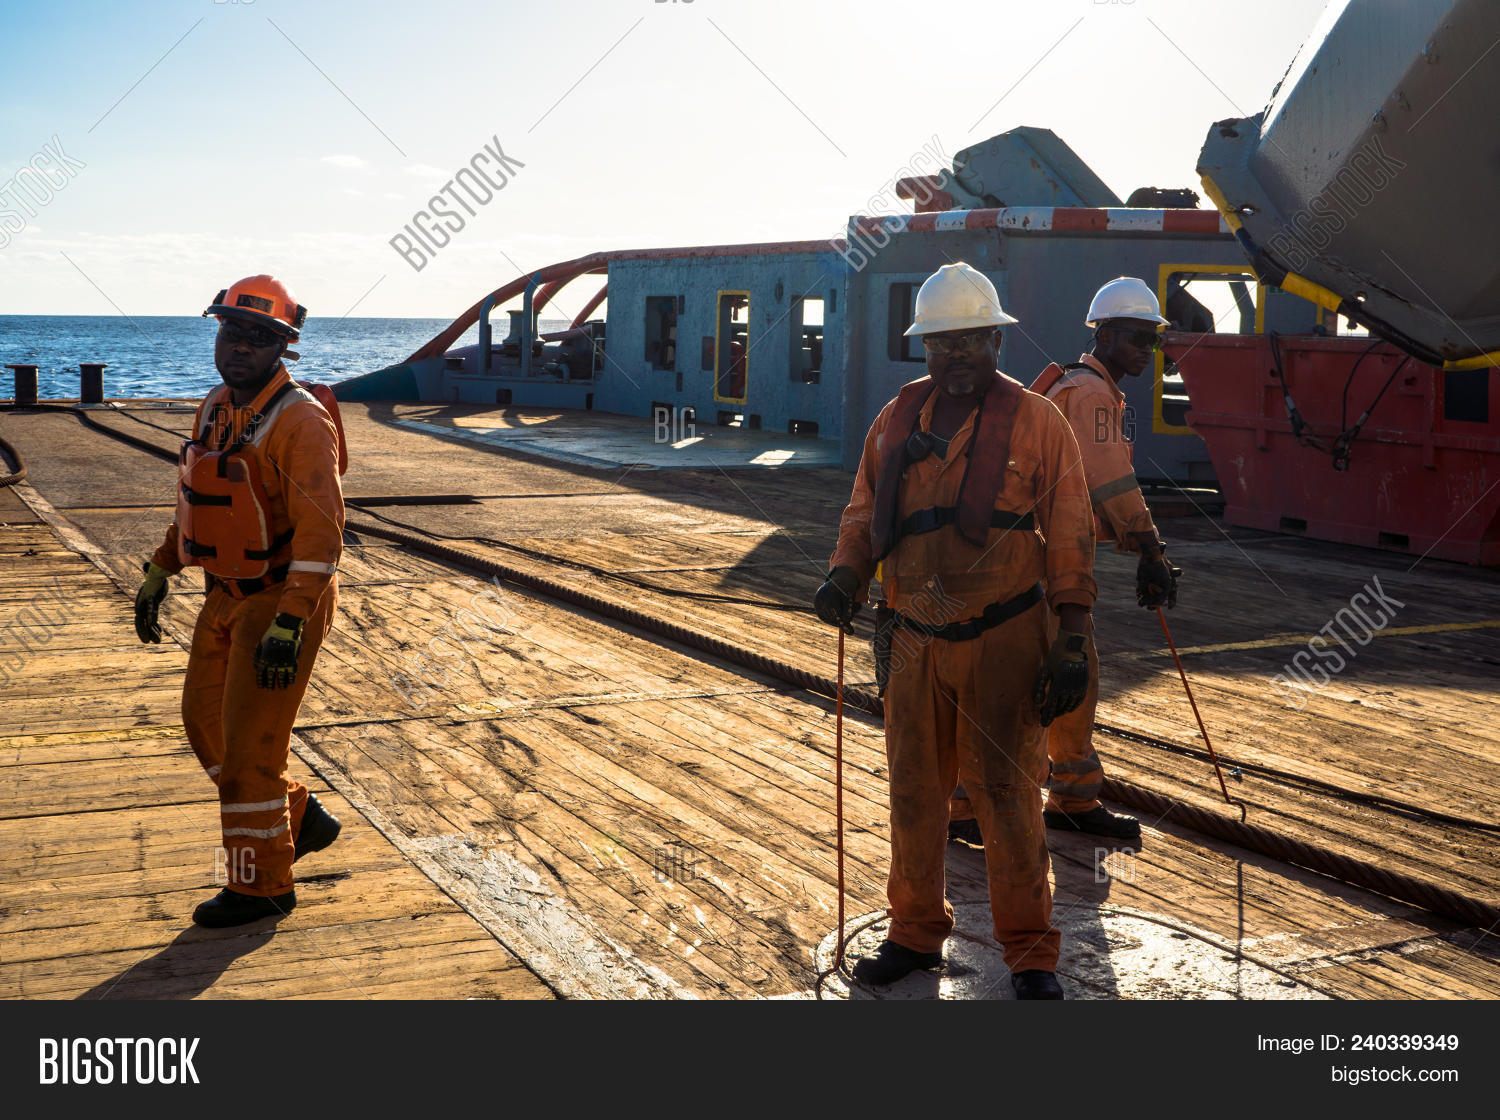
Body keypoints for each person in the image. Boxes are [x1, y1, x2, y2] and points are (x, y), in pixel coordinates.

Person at [815, 262, 1097, 999]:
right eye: (942, 341)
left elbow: (1071, 528)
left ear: (997, 342)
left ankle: (1030, 954)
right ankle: (912, 934)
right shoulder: (895, 419)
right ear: (925, 348)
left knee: (1007, 799)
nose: (957, 353)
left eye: (971, 338)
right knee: (913, 795)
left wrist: (1071, 638)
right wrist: (846, 573)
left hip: (1004, 638)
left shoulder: (1040, 423)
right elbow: (863, 509)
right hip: (911, 641)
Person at [133, 275, 346, 928]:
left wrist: (290, 621)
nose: (241, 346)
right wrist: (162, 566)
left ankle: (262, 888)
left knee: (252, 754)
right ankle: (298, 816)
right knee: (206, 726)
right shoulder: (214, 408)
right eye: (232, 331)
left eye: (259, 336)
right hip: (223, 593)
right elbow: (199, 498)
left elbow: (322, 533)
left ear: (283, 348)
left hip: (280, 602)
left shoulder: (301, 421)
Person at [1021, 277, 1183, 842]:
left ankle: (981, 803)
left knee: (1044, 671)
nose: (1147, 350)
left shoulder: (1077, 385)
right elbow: (1111, 481)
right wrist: (1150, 549)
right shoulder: (1090, 395)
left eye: (1153, 340)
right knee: (1068, 672)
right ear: (1106, 335)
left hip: (1039, 549)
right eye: (1138, 337)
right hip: (1050, 556)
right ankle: (1067, 799)